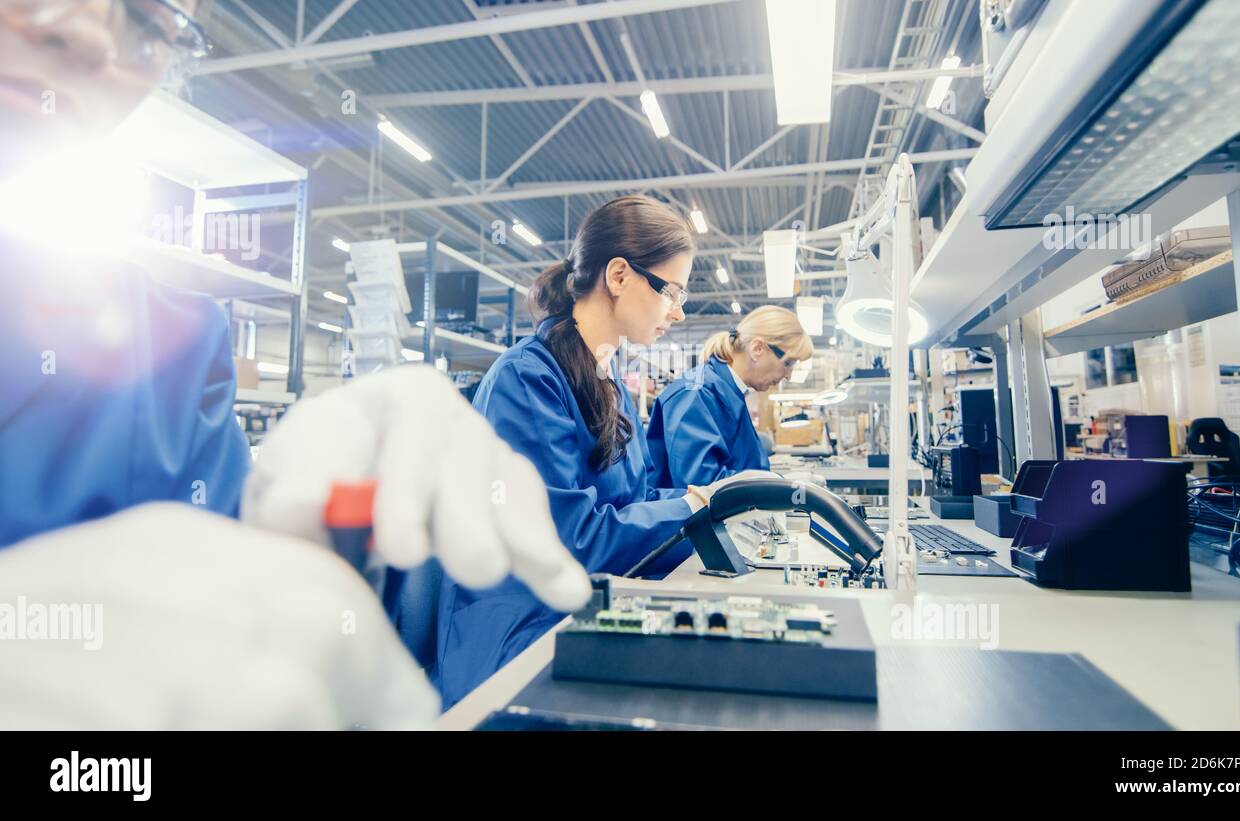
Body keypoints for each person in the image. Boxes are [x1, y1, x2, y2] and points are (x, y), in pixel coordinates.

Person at [0, 0, 589, 728]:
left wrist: (308, 552)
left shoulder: (169, 355)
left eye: (149, 25)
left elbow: (207, 681)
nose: (88, 31)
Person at [419, 195, 764, 706]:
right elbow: (572, 540)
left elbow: (634, 499)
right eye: (671, 289)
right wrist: (695, 508)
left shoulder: (608, 380)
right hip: (517, 640)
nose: (680, 309)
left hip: (577, 610)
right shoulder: (527, 379)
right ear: (619, 276)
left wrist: (714, 498)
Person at [647, 305, 813, 489]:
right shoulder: (696, 393)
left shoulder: (730, 393)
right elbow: (700, 486)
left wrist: (778, 480)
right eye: (788, 363)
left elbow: (742, 467)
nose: (788, 375)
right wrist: (779, 484)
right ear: (757, 348)